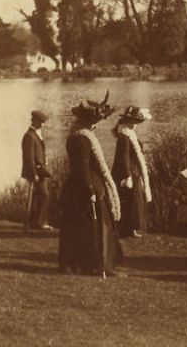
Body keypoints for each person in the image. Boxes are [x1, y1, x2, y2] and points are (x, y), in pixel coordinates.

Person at [58, 91, 123, 277]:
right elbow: (82, 168)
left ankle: (88, 264)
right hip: (86, 188)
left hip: (84, 187)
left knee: (84, 228)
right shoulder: (81, 139)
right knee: (93, 228)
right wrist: (90, 190)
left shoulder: (79, 136)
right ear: (89, 121)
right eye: (95, 121)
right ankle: (96, 265)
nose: (97, 125)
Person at [112, 106, 153, 238]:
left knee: (133, 201)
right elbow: (122, 157)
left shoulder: (128, 133)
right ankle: (126, 229)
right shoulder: (125, 135)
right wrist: (127, 175)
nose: (137, 124)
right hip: (127, 172)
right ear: (130, 121)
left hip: (132, 170)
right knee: (130, 201)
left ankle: (130, 229)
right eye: (135, 121)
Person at [21, 110, 52, 231]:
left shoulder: (35, 135)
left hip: (40, 171)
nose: (43, 125)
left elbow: (38, 153)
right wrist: (34, 174)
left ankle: (35, 223)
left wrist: (45, 160)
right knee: (44, 195)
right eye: (41, 122)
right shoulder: (29, 136)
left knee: (39, 196)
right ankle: (39, 223)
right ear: (34, 121)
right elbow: (29, 158)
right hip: (36, 172)